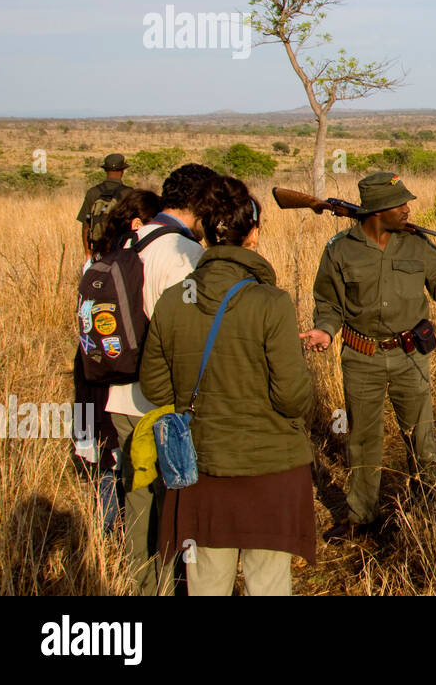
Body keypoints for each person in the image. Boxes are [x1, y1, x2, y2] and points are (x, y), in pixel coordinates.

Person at [141, 175, 315, 596]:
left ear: (204, 230)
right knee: (269, 583)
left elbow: (155, 390)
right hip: (270, 469)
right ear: (251, 233)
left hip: (200, 471)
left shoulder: (173, 300)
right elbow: (294, 400)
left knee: (205, 584)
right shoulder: (270, 302)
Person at [301, 172, 436, 541]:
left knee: (420, 436)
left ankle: (429, 511)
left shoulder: (416, 244)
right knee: (363, 438)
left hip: (410, 355)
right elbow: (328, 302)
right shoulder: (339, 249)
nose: (407, 209)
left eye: (406, 203)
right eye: (399, 204)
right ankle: (361, 516)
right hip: (360, 355)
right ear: (375, 211)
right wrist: (325, 329)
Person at [107, 162, 218, 595]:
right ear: (203, 204)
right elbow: (192, 339)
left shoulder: (125, 241)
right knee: (177, 511)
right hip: (165, 407)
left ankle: (141, 588)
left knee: (138, 510)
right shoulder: (183, 255)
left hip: (120, 399)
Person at [72, 188, 163, 534]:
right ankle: (127, 531)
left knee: (103, 454)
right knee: (127, 458)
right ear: (139, 223)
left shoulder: (96, 261)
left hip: (92, 369)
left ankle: (109, 531)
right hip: (124, 379)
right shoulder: (137, 264)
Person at [77, 154, 133, 255]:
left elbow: (86, 227)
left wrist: (88, 254)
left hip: (98, 249)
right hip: (122, 250)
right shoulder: (129, 193)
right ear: (122, 171)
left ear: (105, 170)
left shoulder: (92, 192)